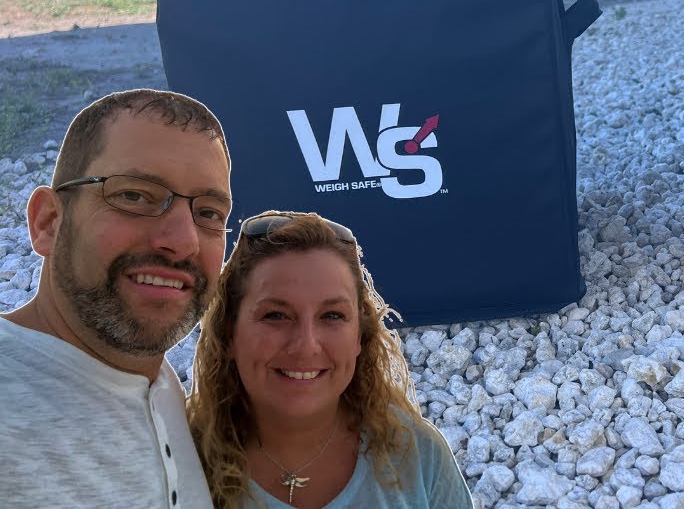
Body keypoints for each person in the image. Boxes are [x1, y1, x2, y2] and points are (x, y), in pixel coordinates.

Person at [0, 89, 232, 508]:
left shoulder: (161, 386)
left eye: (208, 213)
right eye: (134, 195)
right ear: (48, 222)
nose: (184, 241)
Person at [186, 211, 473, 509]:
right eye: (276, 315)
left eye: (332, 315)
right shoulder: (178, 457)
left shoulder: (418, 455)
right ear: (229, 333)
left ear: (360, 335)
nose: (306, 346)